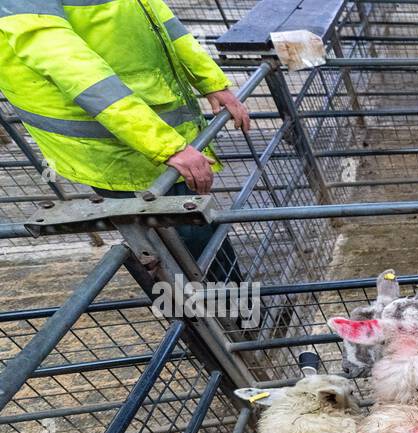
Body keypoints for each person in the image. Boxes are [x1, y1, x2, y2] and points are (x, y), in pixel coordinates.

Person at [0, 0, 251, 278]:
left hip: (156, 134)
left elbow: (161, 18)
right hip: (115, 145)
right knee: (180, 247)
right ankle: (222, 315)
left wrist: (211, 81)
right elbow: (68, 63)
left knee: (200, 240)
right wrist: (164, 145)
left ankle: (232, 311)